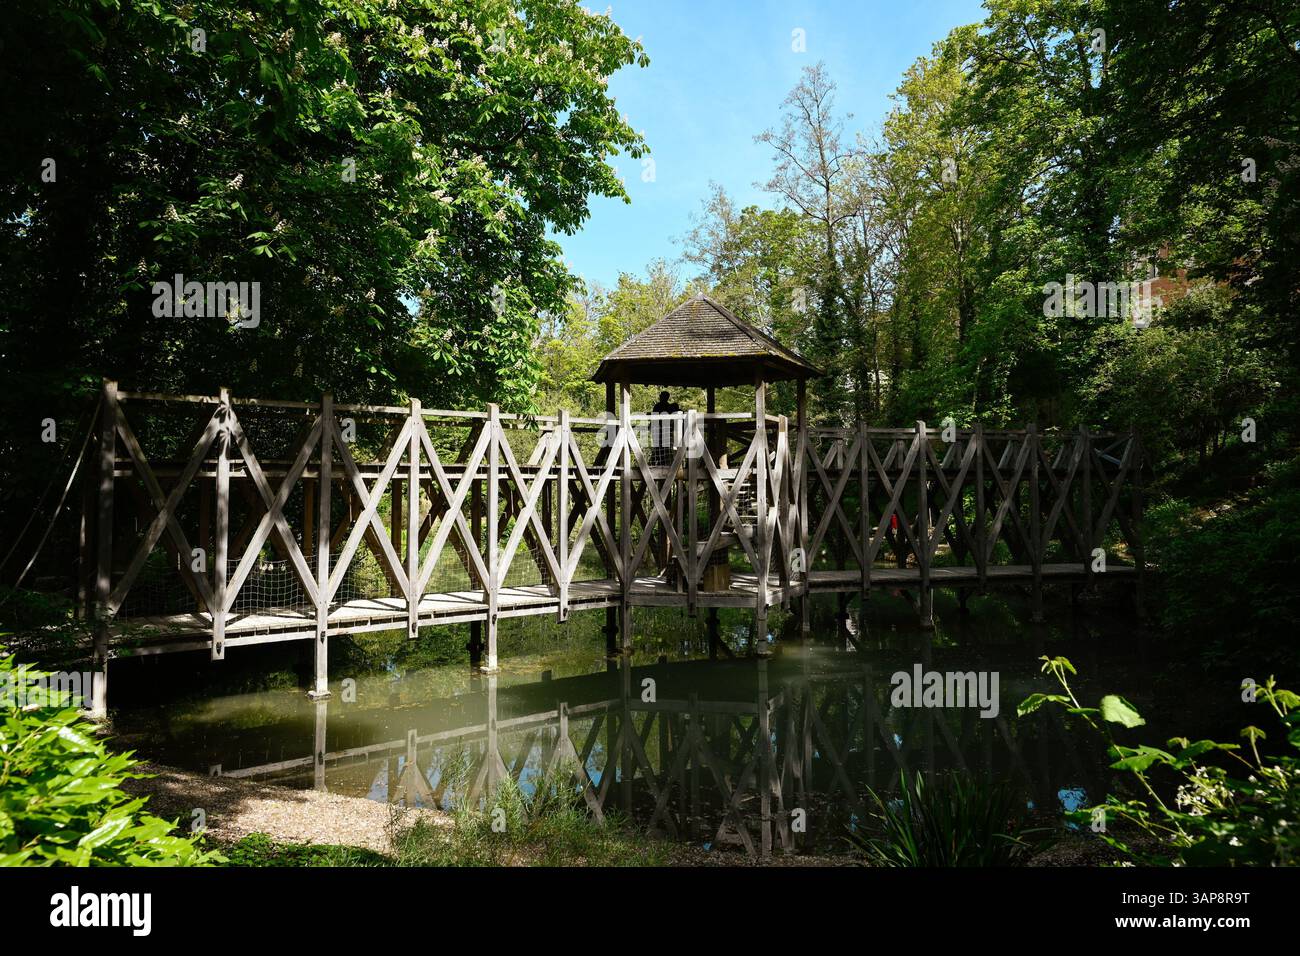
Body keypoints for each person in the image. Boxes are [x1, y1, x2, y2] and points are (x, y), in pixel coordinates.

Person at [650, 390, 680, 465]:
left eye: (661, 396)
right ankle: (659, 463)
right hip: (660, 430)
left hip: (664, 431)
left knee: (663, 448)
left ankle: (662, 463)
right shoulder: (662, 406)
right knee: (659, 448)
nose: (660, 397)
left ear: (665, 397)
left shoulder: (668, 407)